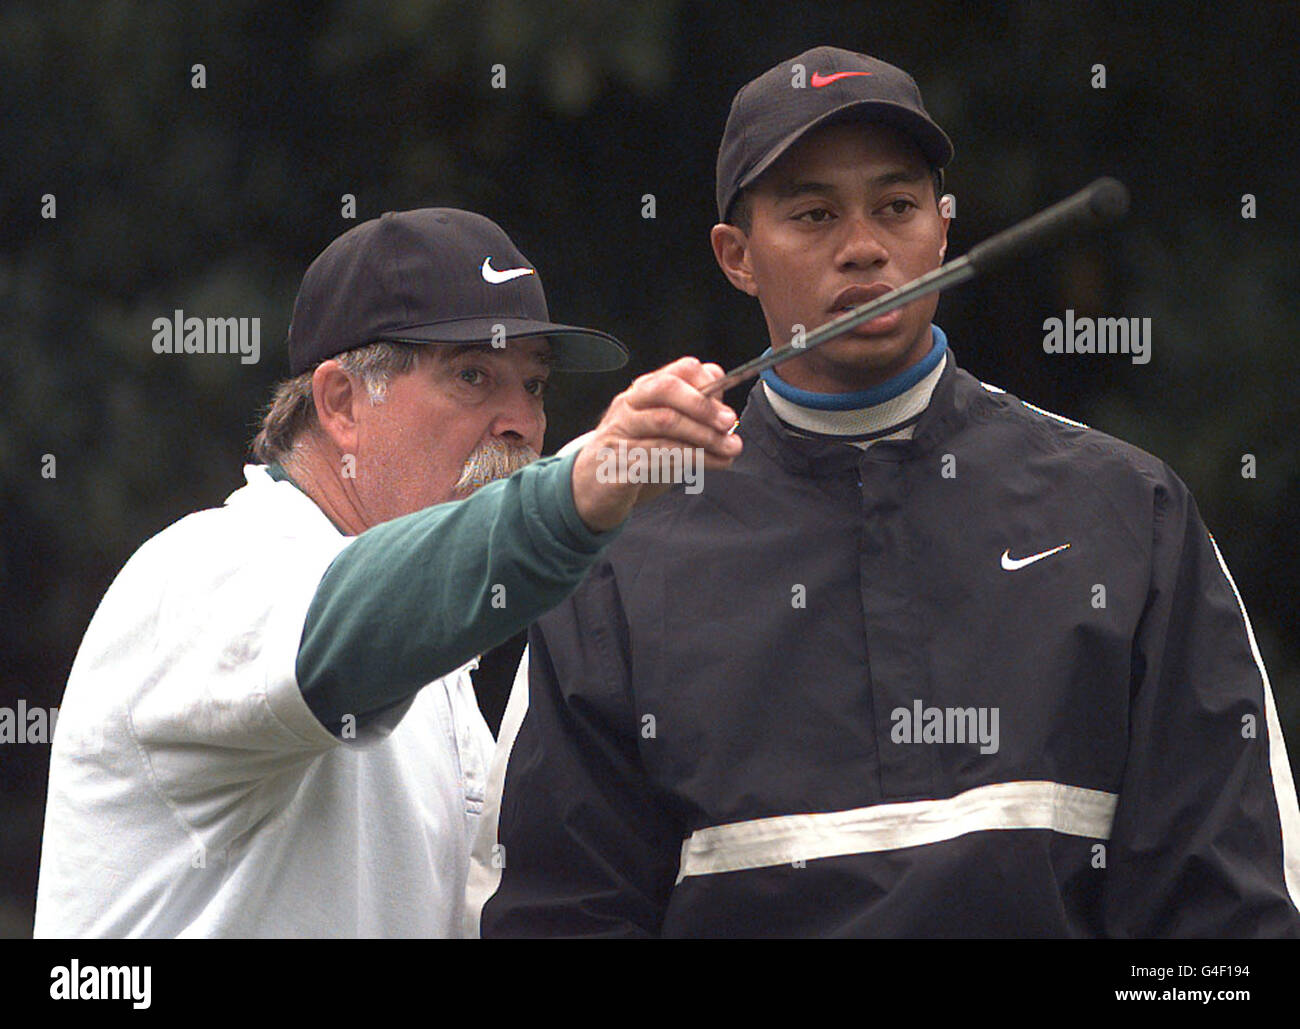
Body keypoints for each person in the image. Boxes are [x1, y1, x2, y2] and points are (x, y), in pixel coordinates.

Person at [468, 48, 1300, 937]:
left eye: (895, 206)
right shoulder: (623, 555)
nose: (863, 247)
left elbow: (1227, 920)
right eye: (814, 213)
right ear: (736, 256)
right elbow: (559, 913)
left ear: (943, 229)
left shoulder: (1131, 512)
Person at [33, 207, 742, 938]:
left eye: (532, 385)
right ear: (341, 402)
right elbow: (352, 622)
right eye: (473, 375)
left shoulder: (442, 677)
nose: (520, 423)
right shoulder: (203, 572)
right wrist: (574, 492)